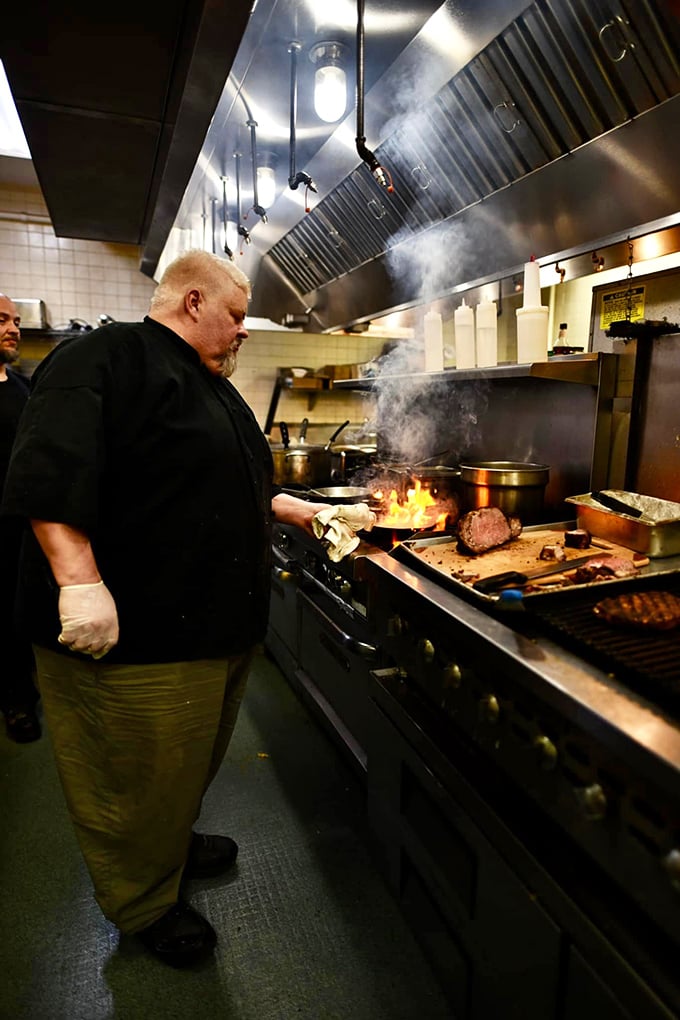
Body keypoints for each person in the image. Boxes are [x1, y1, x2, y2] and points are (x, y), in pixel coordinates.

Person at [1, 250, 333, 967]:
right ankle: (143, 903)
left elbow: (206, 481)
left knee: (181, 766)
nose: (244, 333)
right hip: (134, 633)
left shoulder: (211, 386)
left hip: (209, 627)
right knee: (132, 775)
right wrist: (80, 582)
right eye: (237, 317)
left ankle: (169, 843)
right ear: (191, 302)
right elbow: (48, 475)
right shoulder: (104, 357)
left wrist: (291, 509)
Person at [0, 293, 40, 743]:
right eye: (1, 319)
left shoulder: (23, 390)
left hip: (18, 528)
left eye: (15, 320)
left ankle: (20, 697)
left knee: (14, 615)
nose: (13, 329)